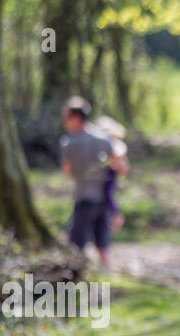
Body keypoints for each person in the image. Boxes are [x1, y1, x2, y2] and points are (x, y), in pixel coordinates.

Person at [60, 97, 118, 267]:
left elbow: (68, 172)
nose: (64, 122)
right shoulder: (105, 139)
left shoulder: (69, 143)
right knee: (103, 245)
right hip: (104, 198)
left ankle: (78, 276)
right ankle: (108, 274)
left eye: (66, 118)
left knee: (77, 243)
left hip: (84, 198)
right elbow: (118, 165)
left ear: (76, 118)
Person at [91, 115, 130, 235]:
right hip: (97, 189)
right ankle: (115, 217)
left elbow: (123, 168)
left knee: (109, 201)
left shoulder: (115, 147)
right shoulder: (99, 147)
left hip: (108, 184)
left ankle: (115, 218)